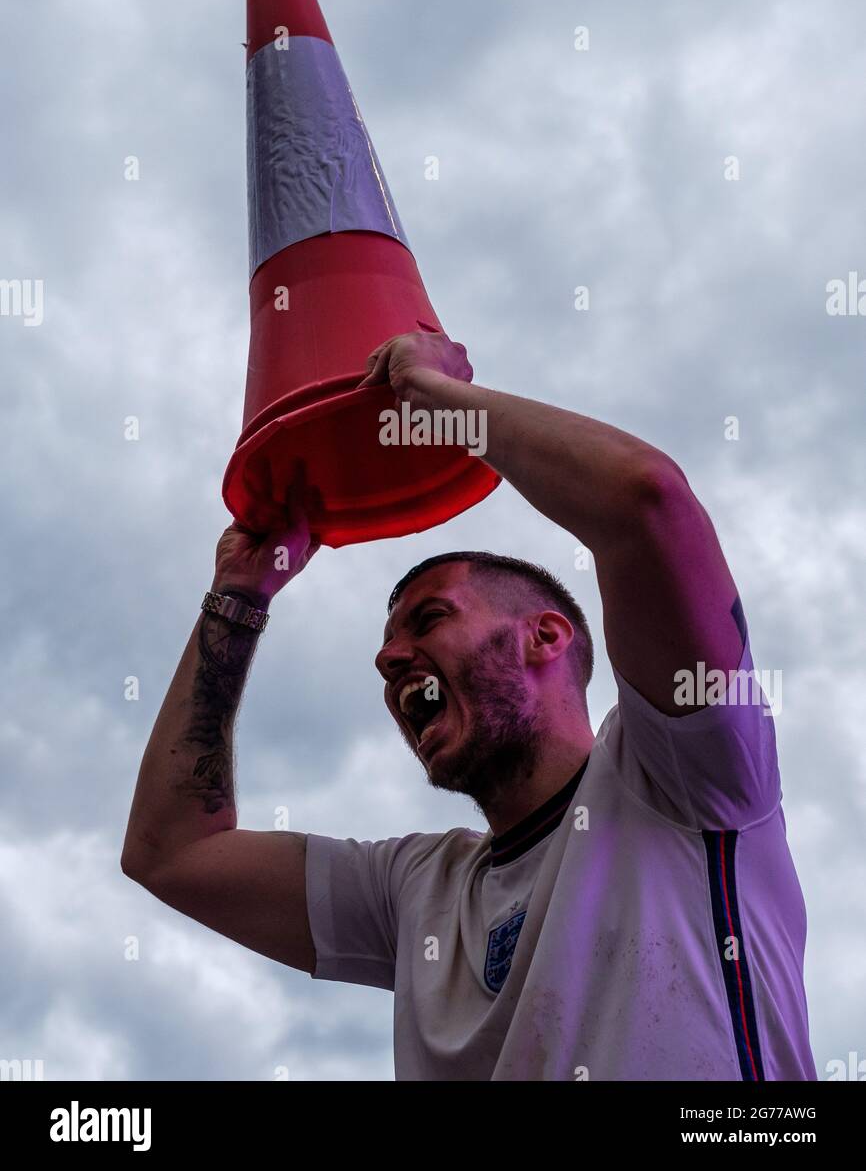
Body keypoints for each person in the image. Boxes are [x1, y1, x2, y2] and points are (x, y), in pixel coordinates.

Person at [122, 329, 817, 1081]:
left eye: (430, 621)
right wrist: (239, 597)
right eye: (387, 653)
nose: (389, 662)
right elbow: (171, 853)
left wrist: (440, 404)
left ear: (544, 637)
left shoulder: (683, 774)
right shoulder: (415, 890)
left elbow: (647, 504)